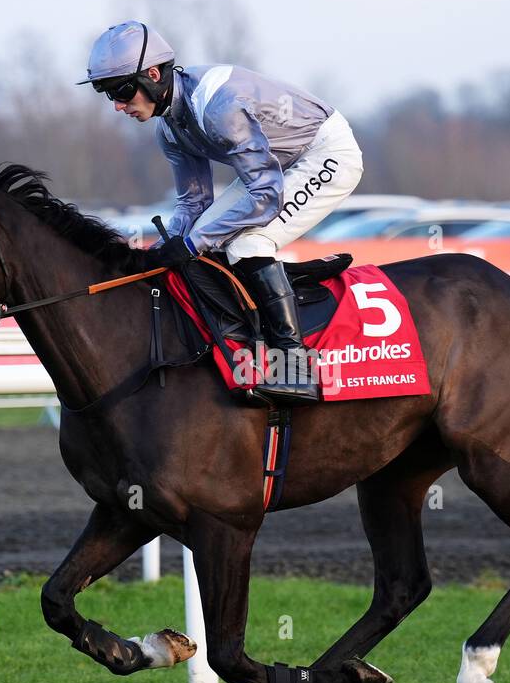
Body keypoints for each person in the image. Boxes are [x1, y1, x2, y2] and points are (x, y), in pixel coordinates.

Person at [78, 21, 364, 406]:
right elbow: (192, 205)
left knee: (249, 241)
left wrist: (192, 242)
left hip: (324, 153)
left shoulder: (217, 109)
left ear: (153, 75)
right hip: (277, 163)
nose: (117, 104)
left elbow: (265, 195)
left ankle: (295, 367)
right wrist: (163, 249)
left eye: (122, 90)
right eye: (108, 94)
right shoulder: (169, 130)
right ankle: (239, 349)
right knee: (203, 242)